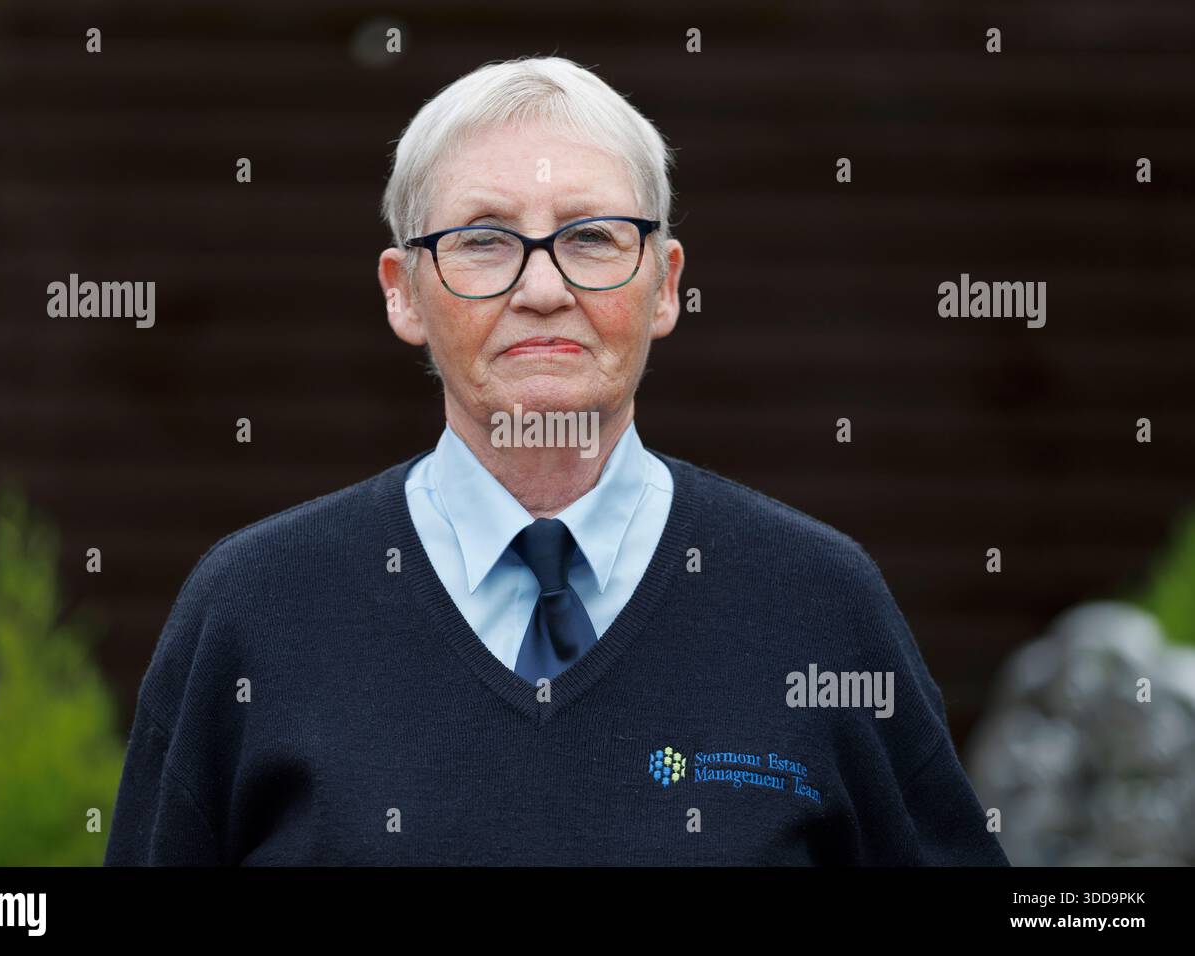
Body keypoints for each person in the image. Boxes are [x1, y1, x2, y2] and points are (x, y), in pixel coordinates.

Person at [104, 56, 1009, 866]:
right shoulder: (256, 608)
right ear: (403, 294)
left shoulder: (818, 604)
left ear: (665, 284)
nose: (543, 289)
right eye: (484, 239)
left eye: (591, 237)